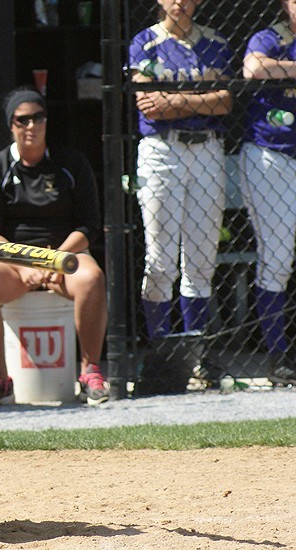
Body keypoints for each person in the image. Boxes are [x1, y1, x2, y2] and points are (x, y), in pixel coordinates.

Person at [0, 88, 108, 407]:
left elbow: (89, 225)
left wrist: (54, 259)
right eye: (23, 120)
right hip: (13, 259)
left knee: (92, 278)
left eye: (38, 117)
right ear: (11, 125)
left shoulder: (71, 163)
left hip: (64, 254)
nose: (31, 125)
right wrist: (22, 264)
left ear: (46, 120)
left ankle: (90, 373)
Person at [129, 0, 232, 381]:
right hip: (162, 150)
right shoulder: (145, 42)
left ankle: (196, 357)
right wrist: (200, 99)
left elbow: (225, 102)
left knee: (201, 261)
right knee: (160, 261)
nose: (180, 2)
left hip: (207, 149)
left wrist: (174, 100)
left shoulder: (215, 42)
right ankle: (162, 355)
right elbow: (148, 106)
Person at [239, 0, 296, 387]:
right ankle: (278, 356)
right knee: (277, 258)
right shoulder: (271, 37)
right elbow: (254, 68)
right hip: (270, 156)